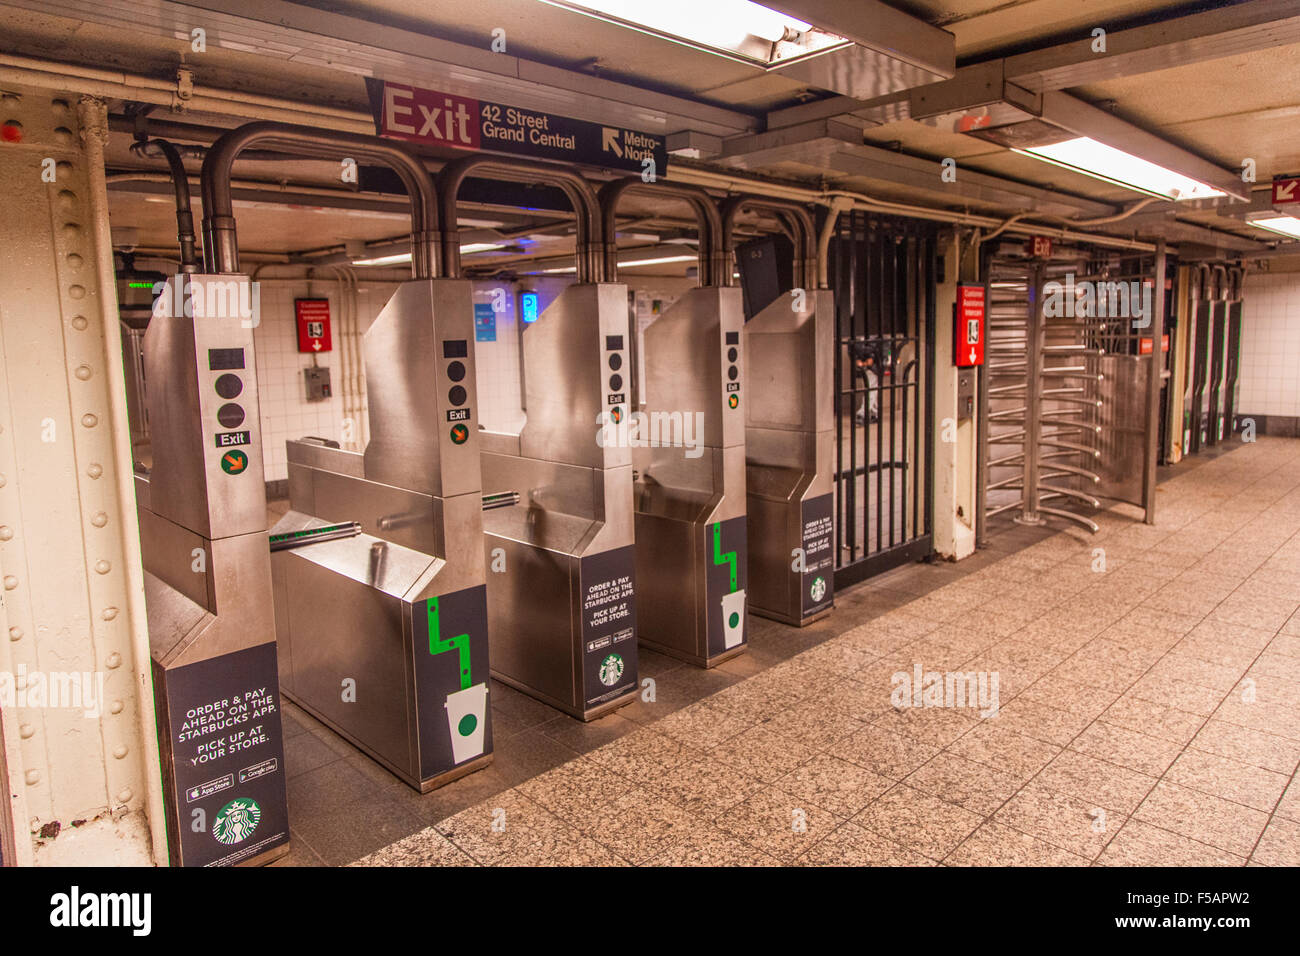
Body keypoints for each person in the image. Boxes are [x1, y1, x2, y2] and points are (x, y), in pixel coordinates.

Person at [850, 340, 879, 426]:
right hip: (870, 368)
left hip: (871, 368)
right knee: (871, 390)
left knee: (870, 391)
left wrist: (862, 363)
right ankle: (874, 414)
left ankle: (863, 414)